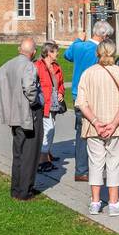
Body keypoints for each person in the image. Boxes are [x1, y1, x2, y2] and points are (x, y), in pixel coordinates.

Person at [75, 39, 119, 216]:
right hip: (116, 126)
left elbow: (81, 103)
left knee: (95, 163)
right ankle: (114, 203)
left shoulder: (88, 73)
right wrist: (114, 123)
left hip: (95, 126)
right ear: (114, 53)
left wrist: (95, 121)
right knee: (115, 163)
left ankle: (95, 202)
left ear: (97, 53)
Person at [0, 37, 43, 200]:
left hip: (13, 115)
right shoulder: (29, 66)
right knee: (29, 154)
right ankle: (25, 191)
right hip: (28, 115)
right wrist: (35, 101)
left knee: (18, 153)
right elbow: (29, 87)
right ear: (34, 52)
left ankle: (16, 189)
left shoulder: (9, 64)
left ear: (19, 49)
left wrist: (5, 100)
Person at [64, 20, 113, 181]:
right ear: (103, 35)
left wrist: (78, 39)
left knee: (81, 133)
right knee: (99, 132)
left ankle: (81, 170)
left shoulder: (79, 46)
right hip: (94, 95)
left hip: (78, 94)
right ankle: (97, 168)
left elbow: (67, 55)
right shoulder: (100, 51)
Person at [35, 42, 65, 173]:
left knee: (51, 127)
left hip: (54, 103)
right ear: (48, 53)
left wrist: (60, 93)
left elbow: (61, 84)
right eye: (55, 51)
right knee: (49, 129)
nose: (57, 53)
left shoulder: (56, 66)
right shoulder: (37, 66)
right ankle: (42, 160)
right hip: (43, 103)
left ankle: (46, 154)